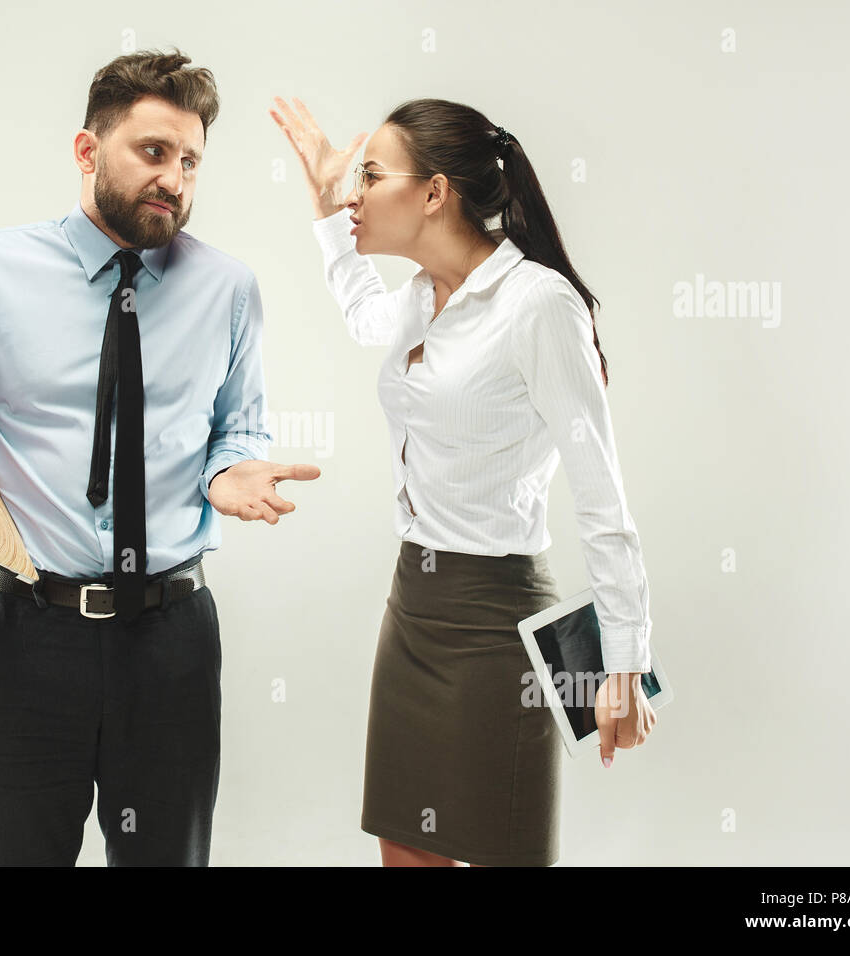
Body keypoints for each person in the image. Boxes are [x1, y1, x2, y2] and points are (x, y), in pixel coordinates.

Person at [0, 48, 320, 867]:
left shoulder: (229, 289)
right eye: (154, 153)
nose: (176, 180)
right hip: (23, 636)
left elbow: (239, 429)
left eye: (191, 161)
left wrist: (230, 472)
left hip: (170, 643)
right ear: (88, 151)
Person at [270, 95, 657, 867]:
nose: (354, 190)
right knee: (405, 849)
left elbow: (600, 495)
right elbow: (362, 317)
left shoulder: (538, 306)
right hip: (412, 608)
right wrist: (323, 215)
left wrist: (626, 660)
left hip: (496, 627)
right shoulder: (421, 297)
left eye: (370, 175)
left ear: (435, 193)